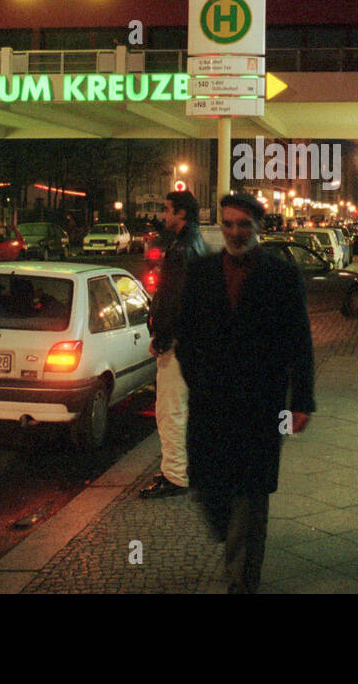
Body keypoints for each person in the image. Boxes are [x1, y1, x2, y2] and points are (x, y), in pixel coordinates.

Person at [174, 192, 315, 593]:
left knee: (250, 501)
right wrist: (197, 377)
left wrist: (301, 401)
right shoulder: (202, 272)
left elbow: (299, 342)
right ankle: (230, 538)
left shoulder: (281, 276)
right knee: (209, 486)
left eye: (243, 225)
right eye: (229, 224)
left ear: (259, 228)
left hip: (259, 404)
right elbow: (185, 335)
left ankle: (242, 582)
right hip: (211, 404)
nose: (235, 232)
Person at [139, 190, 207, 499]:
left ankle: (176, 476)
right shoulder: (196, 243)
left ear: (181, 214)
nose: (163, 216)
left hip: (178, 343)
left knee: (169, 409)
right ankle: (185, 468)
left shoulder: (181, 249)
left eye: (167, 210)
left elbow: (174, 301)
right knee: (185, 409)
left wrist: (162, 337)